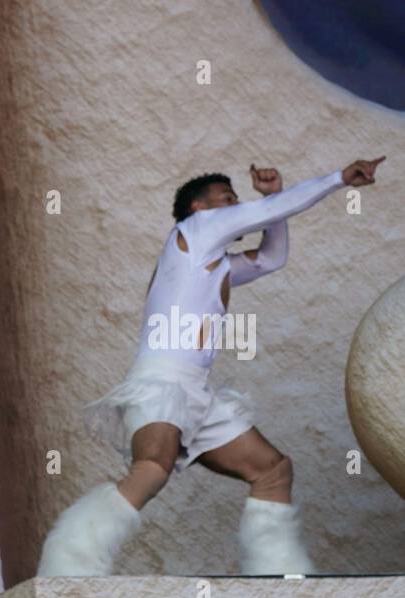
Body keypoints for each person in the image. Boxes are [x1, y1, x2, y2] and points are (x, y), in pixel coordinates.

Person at [38, 157, 386, 576]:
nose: (236, 205)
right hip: (161, 380)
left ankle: (279, 578)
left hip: (197, 392)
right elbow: (261, 215)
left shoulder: (215, 262)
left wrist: (274, 197)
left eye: (237, 199)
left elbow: (271, 258)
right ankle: (68, 566)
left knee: (273, 470)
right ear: (200, 210)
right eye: (227, 199)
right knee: (152, 469)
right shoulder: (193, 231)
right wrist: (338, 179)